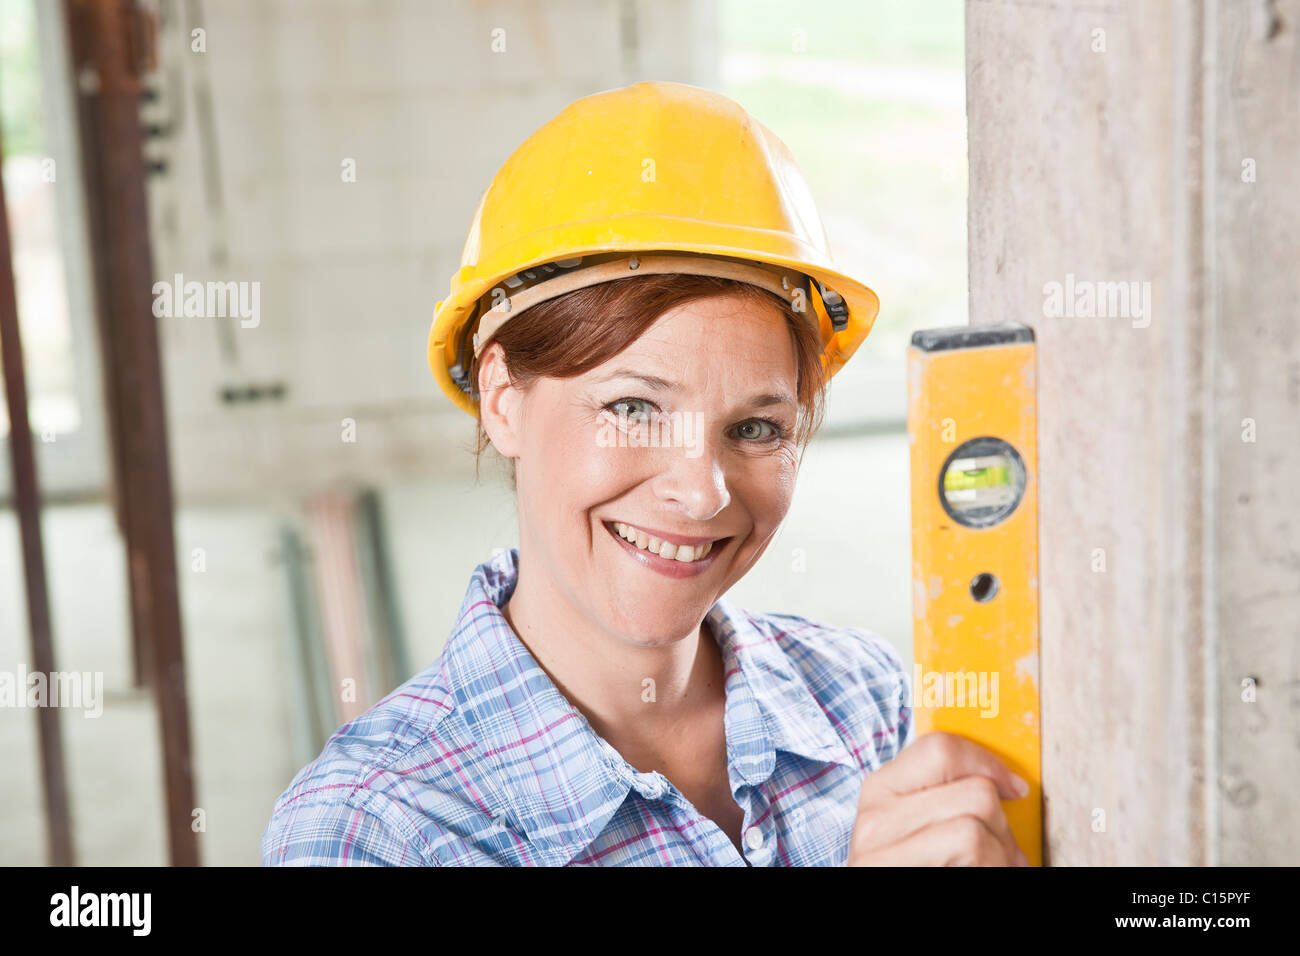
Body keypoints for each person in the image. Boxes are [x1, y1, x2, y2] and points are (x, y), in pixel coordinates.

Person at [261, 81, 1029, 866]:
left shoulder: (859, 700)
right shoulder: (375, 829)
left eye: (756, 427)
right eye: (634, 409)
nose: (702, 491)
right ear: (502, 399)